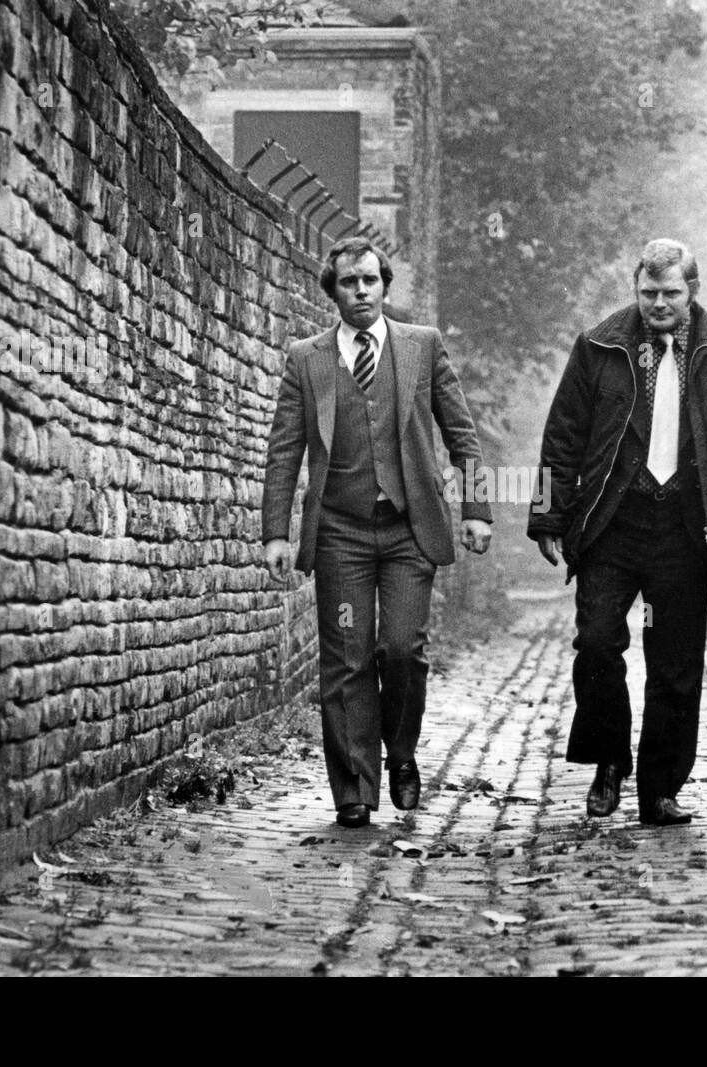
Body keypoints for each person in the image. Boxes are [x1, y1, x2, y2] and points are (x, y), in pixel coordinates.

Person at [528, 239, 707, 826]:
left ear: (692, 292)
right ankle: (609, 759)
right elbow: (561, 433)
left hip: (687, 531)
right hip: (614, 524)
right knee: (597, 645)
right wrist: (546, 514)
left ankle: (661, 788)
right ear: (635, 289)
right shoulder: (599, 345)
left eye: (671, 293)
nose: (658, 304)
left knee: (674, 663)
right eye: (648, 293)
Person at [262, 237, 493, 828]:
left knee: (402, 649)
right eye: (347, 282)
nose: (360, 291)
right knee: (346, 656)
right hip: (340, 533)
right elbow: (285, 449)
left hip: (408, 531)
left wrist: (475, 510)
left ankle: (403, 753)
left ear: (385, 285)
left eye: (369, 280)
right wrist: (275, 533)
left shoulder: (422, 346)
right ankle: (354, 791)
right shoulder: (306, 358)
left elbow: (461, 432)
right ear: (332, 291)